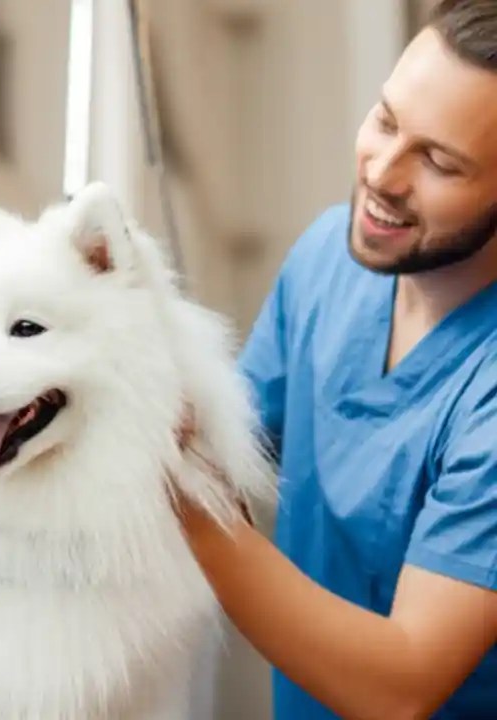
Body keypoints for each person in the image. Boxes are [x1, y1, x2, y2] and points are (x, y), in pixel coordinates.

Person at [175, 2, 497, 718]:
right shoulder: (328, 255)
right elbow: (228, 447)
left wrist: (184, 502)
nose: (382, 174)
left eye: (439, 162)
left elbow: (403, 687)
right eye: (384, 121)